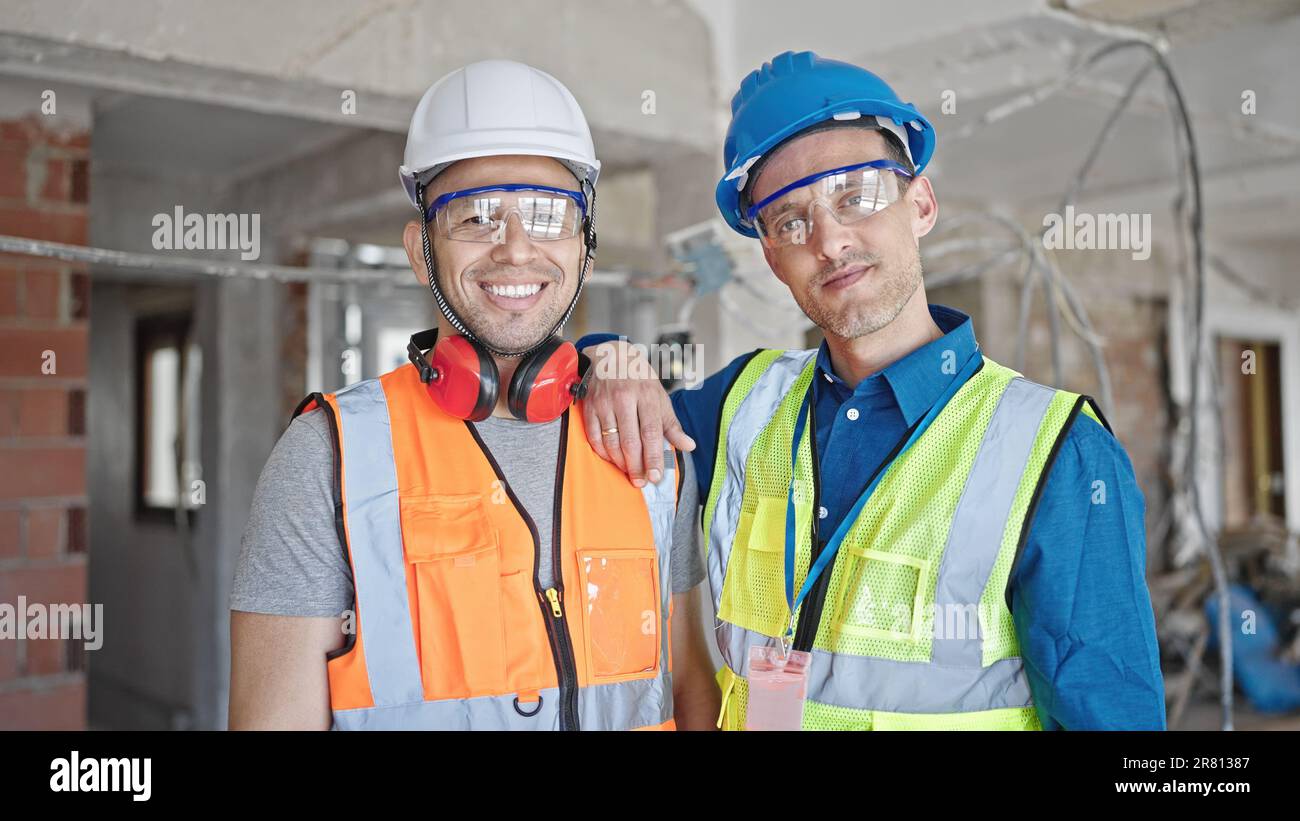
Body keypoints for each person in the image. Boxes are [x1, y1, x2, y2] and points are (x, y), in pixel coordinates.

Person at [579, 51, 1165, 730]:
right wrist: (609, 358)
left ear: (921, 203)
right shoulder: (741, 402)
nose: (828, 240)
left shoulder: (1056, 453)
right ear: (771, 255)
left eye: (855, 196)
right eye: (791, 220)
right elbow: (605, 416)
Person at [229, 59, 718, 730]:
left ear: (585, 251)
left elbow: (690, 689)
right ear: (419, 248)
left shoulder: (650, 451)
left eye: (549, 216)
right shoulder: (330, 457)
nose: (516, 249)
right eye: (476, 217)